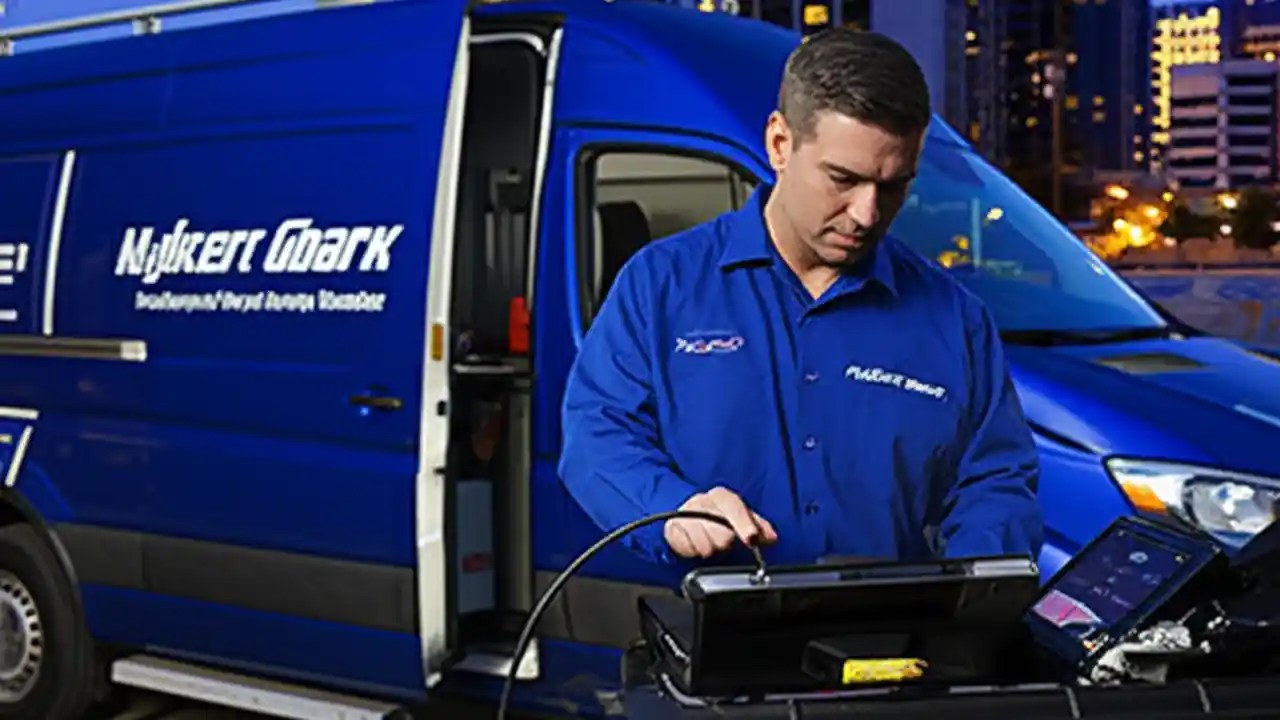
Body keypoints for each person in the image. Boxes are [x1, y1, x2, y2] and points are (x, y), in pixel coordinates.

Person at [557, 29, 1043, 571]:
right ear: (779, 144)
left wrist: (969, 589)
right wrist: (672, 508)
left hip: (896, 644)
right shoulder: (660, 286)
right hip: (720, 636)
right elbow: (597, 438)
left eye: (893, 186)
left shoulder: (956, 320)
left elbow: (996, 481)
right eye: (844, 179)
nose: (866, 213)